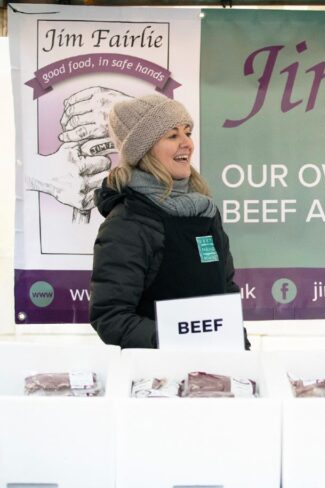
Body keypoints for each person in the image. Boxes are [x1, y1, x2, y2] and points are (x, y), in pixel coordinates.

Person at [89, 94, 249, 349]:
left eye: (187, 133)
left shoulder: (204, 211)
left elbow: (225, 289)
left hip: (215, 373)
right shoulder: (127, 223)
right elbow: (110, 318)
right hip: (158, 378)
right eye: (173, 136)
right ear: (145, 150)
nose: (187, 144)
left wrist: (240, 345)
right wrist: (181, 340)